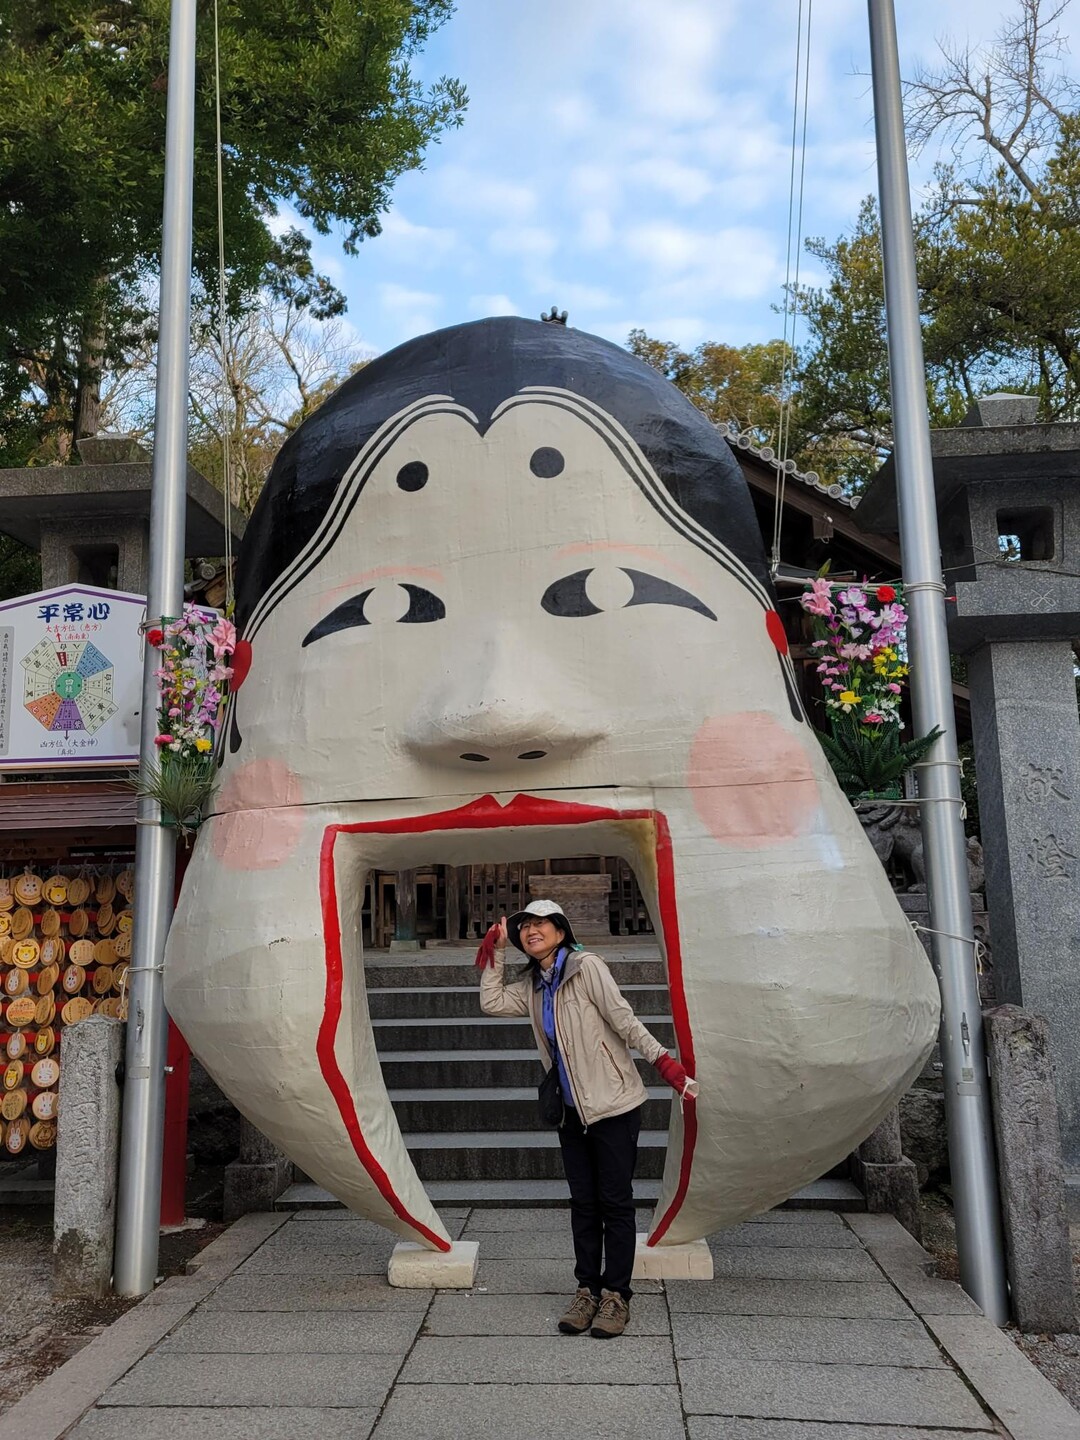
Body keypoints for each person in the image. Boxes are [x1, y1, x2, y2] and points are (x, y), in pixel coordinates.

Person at [478, 899, 698, 1339]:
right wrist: (496, 953)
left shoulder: (586, 967)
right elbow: (491, 1001)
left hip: (613, 1105)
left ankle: (616, 1295)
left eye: (541, 923)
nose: (531, 930)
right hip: (569, 1111)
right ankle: (587, 1290)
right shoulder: (533, 986)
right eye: (524, 926)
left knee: (614, 1202)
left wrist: (664, 1062)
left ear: (560, 930)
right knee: (583, 1203)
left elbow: (624, 1019)